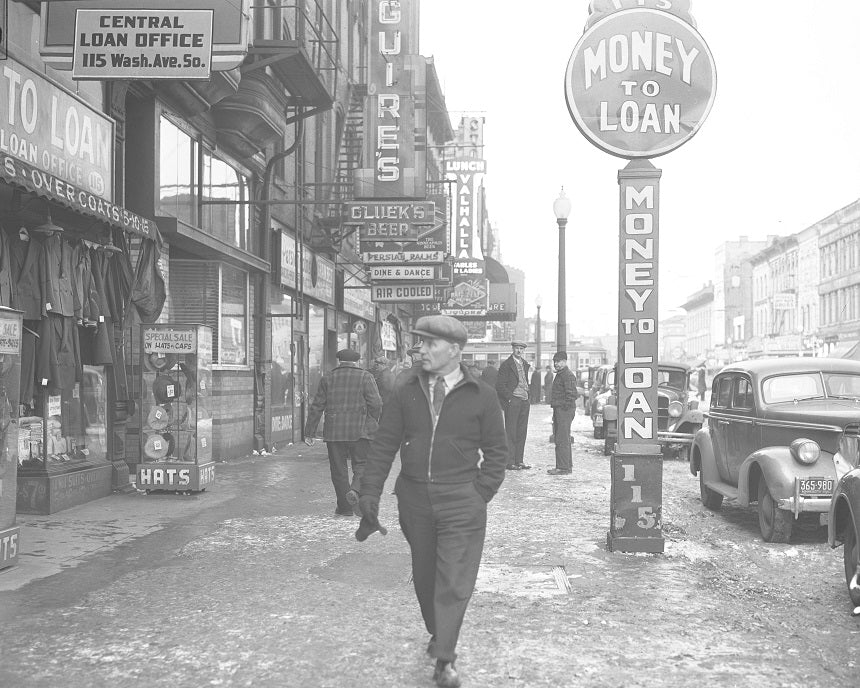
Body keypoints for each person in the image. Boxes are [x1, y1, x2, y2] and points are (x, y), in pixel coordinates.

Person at [357, 314, 508, 688]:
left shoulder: (482, 395)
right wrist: (369, 493)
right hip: (415, 501)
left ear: (455, 350)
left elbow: (497, 454)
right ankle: (438, 632)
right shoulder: (405, 390)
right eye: (419, 342)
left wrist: (479, 495)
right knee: (426, 578)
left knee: (453, 580)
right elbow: (383, 445)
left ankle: (445, 658)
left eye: (429, 343)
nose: (420, 349)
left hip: (462, 500)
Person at [303, 348, 383, 517]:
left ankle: (345, 508)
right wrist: (372, 421)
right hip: (360, 430)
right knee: (362, 465)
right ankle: (355, 490)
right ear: (357, 361)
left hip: (334, 432)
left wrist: (309, 432)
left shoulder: (328, 377)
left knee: (338, 469)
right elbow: (376, 403)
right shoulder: (365, 376)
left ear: (339, 361)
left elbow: (317, 406)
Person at [496, 340, 532, 470]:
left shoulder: (525, 364)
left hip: (524, 400)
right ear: (513, 349)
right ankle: (510, 461)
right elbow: (500, 385)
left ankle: (519, 460)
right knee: (511, 431)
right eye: (517, 348)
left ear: (524, 351)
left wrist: (528, 397)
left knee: (522, 431)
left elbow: (526, 382)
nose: (519, 351)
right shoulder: (506, 365)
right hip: (514, 400)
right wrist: (510, 399)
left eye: (521, 349)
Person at [547, 351, 579, 475]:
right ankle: (566, 465)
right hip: (560, 409)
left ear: (565, 361)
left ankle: (563, 467)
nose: (556, 364)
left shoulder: (567, 375)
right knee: (562, 438)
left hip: (564, 410)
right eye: (555, 361)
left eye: (559, 361)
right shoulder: (561, 374)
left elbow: (572, 394)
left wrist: (563, 408)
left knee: (561, 438)